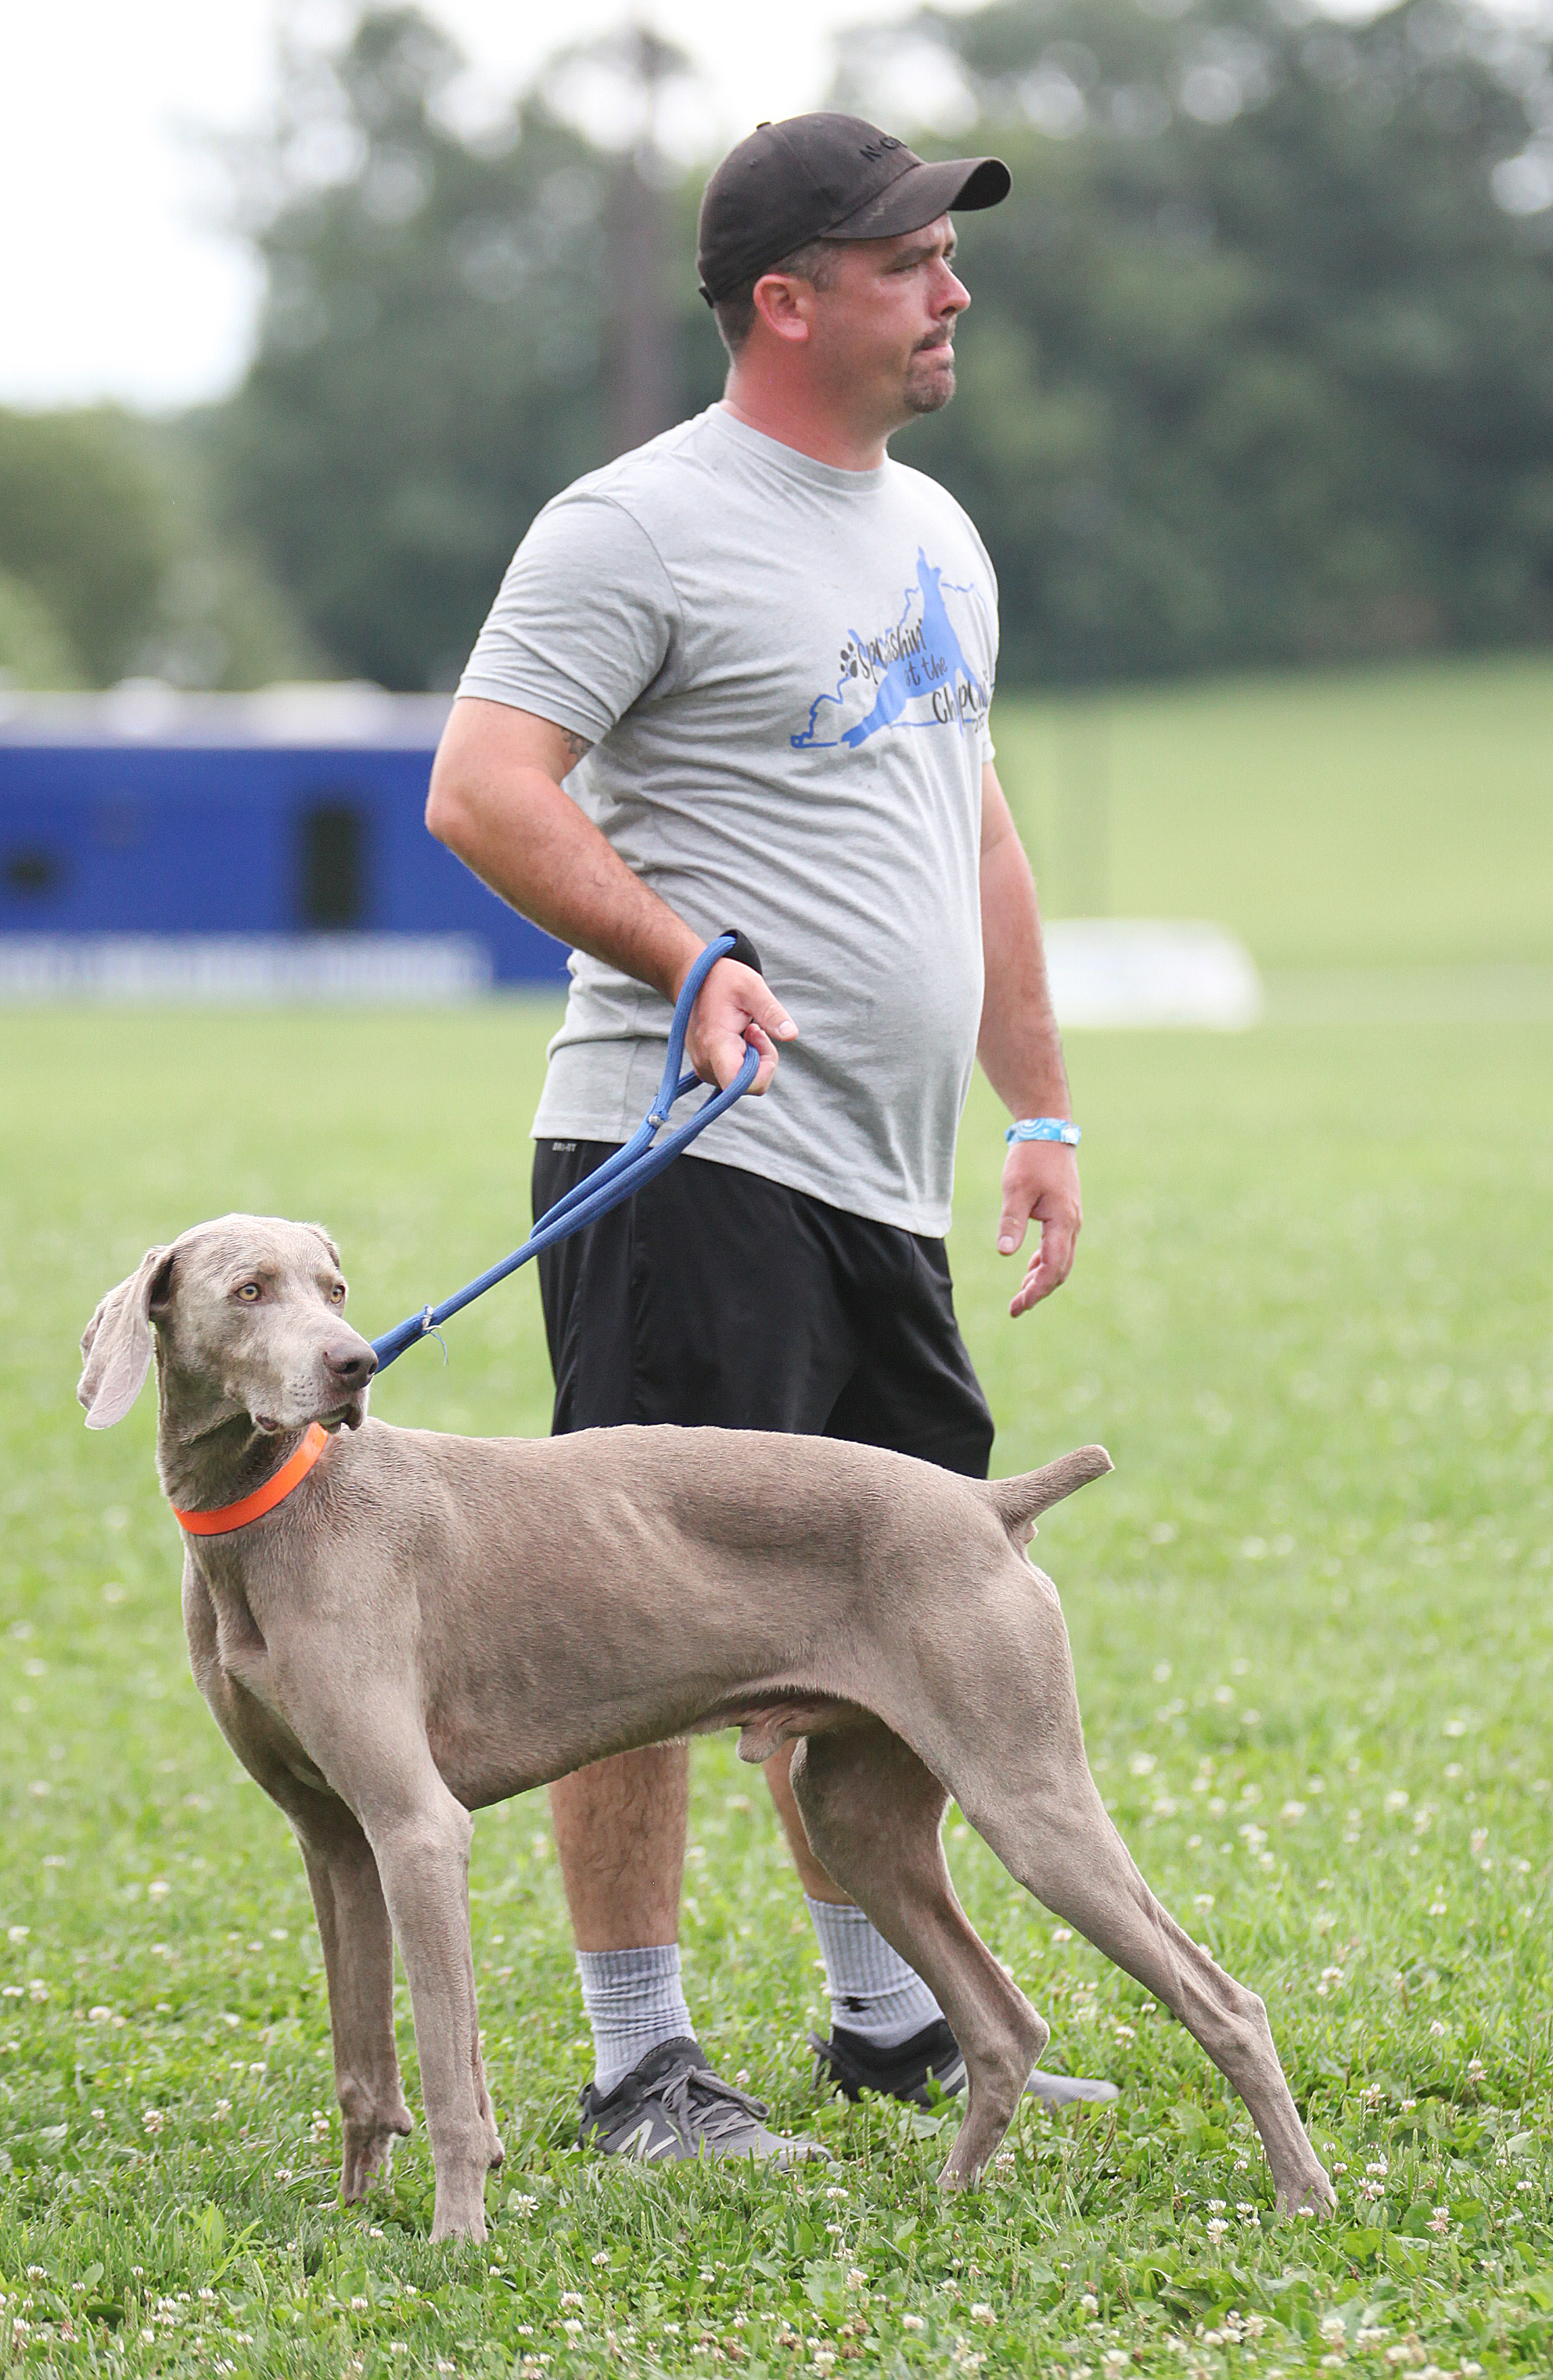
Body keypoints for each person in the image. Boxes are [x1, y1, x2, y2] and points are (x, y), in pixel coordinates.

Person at [426, 110, 1112, 2165]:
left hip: (882, 1185)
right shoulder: (632, 524)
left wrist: (1041, 1103)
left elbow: (971, 833)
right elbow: (482, 786)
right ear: (786, 298)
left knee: (898, 1622)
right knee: (630, 1635)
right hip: (689, 1167)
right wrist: (680, 943)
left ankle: (888, 2025)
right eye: (910, 262)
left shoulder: (938, 531)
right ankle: (642, 2061)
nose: (952, 292)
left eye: (946, 258)